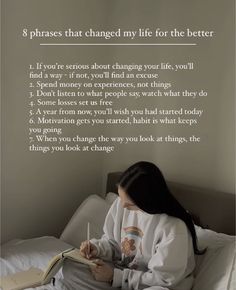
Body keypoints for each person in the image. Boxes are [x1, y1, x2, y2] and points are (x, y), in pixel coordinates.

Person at [62, 161, 203, 290]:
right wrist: (96, 248)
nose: (122, 205)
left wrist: (113, 276)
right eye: (120, 198)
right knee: (71, 266)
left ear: (147, 201)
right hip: (122, 276)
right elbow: (114, 244)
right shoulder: (121, 204)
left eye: (129, 204)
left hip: (152, 285)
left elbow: (163, 280)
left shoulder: (173, 228)